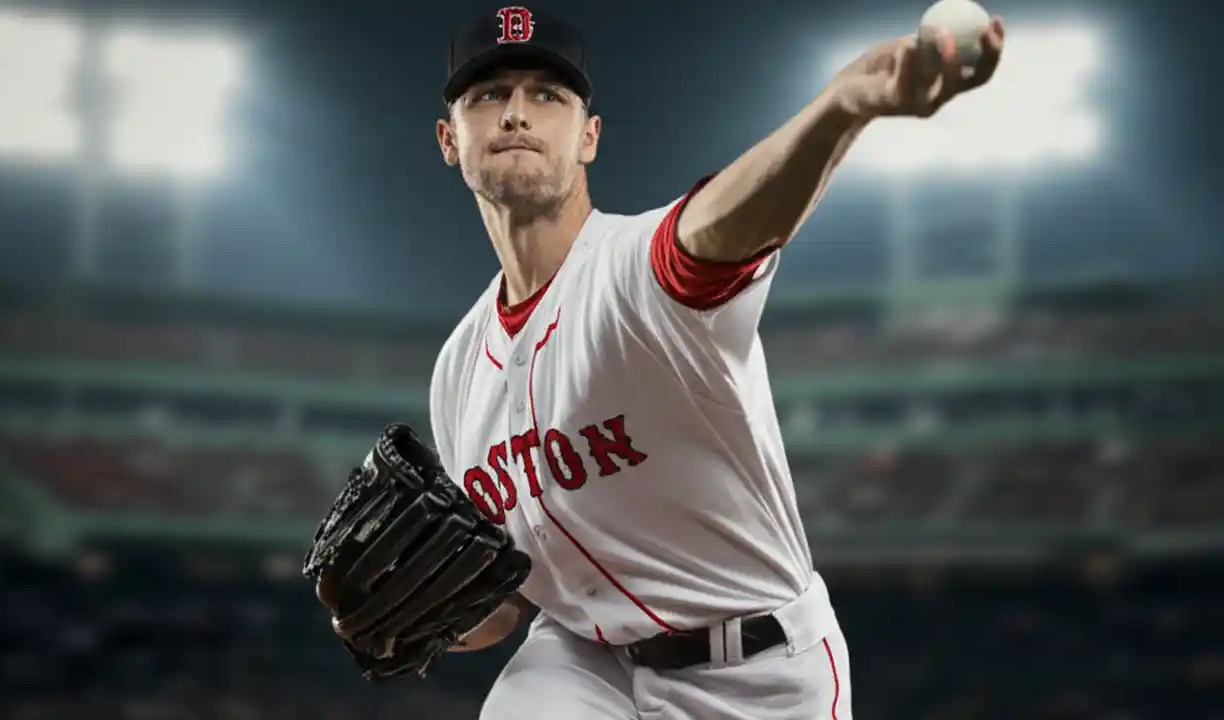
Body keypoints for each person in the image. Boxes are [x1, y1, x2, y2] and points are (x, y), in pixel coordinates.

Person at [373, 6, 998, 719]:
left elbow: (728, 221)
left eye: (548, 95)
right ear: (450, 140)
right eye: (489, 95)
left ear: (589, 138)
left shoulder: (638, 272)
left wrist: (841, 107)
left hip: (759, 672)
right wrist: (423, 617)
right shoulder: (458, 370)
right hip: (584, 660)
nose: (518, 114)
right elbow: (510, 594)